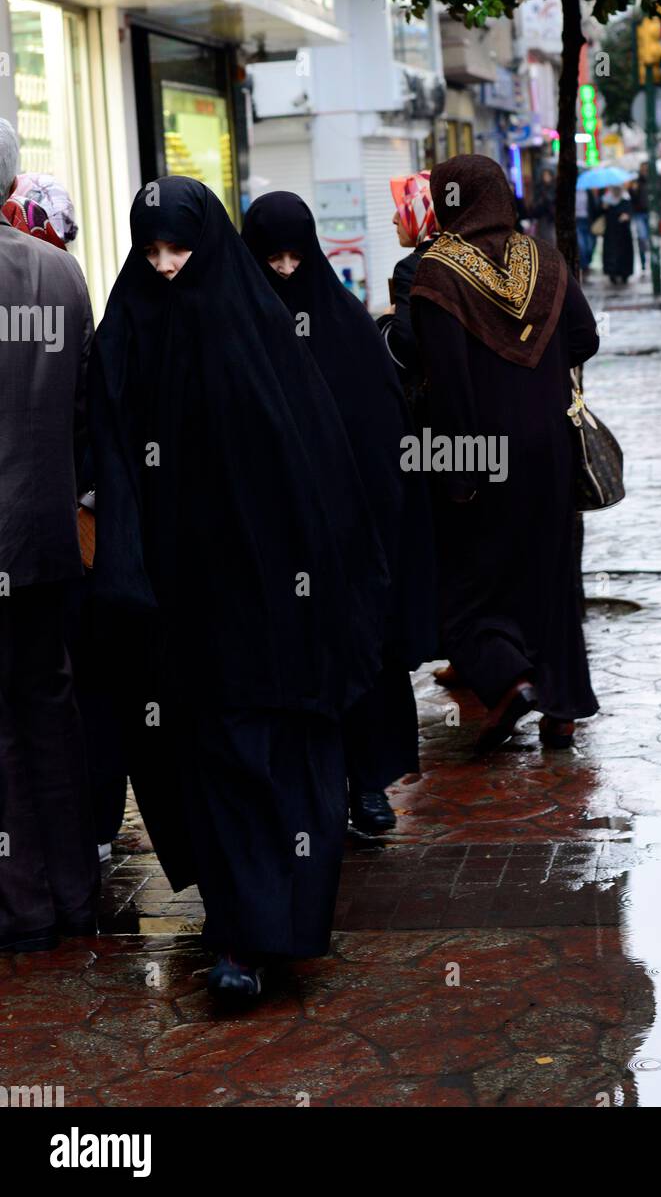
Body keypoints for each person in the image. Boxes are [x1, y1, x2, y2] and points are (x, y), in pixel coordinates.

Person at [89, 176, 393, 1006]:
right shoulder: (129, 327)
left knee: (281, 757)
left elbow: (314, 467)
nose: (164, 265)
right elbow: (106, 456)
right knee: (216, 760)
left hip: (274, 600)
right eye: (149, 250)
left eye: (179, 247)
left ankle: (281, 925)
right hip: (181, 606)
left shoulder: (256, 328)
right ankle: (240, 936)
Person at [242, 191, 437, 836]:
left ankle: (369, 788)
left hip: (356, 537)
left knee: (368, 661)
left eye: (300, 255)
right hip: (282, 543)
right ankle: (319, 796)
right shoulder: (243, 334)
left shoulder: (347, 326)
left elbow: (386, 435)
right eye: (274, 258)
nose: (289, 270)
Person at [410, 154, 600, 754]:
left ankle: (508, 679)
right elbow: (585, 338)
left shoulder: (437, 273)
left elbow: (448, 383)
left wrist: (456, 471)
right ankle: (562, 708)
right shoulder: (544, 257)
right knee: (551, 577)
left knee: (466, 585)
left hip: (481, 449)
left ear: (450, 201)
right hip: (551, 447)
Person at [0, 118, 100, 954]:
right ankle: (75, 894)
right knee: (51, 710)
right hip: (44, 533)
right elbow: (83, 406)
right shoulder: (61, 273)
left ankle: (23, 906)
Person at [376, 172, 438, 412]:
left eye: (403, 210)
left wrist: (388, 319)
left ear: (425, 213)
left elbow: (405, 342)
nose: (394, 219)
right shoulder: (463, 252)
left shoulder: (411, 267)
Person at [600, 186, 635, 284]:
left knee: (624, 253)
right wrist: (603, 207)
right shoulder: (606, 200)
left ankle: (624, 274)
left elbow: (630, 212)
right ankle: (612, 273)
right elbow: (599, 212)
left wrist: (626, 216)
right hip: (611, 231)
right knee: (611, 253)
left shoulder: (626, 199)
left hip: (624, 232)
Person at [629, 163, 650, 273]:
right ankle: (643, 262)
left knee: (649, 239)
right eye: (643, 169)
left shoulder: (652, 181)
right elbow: (632, 198)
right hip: (639, 213)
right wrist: (633, 190)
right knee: (642, 238)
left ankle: (649, 261)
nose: (644, 171)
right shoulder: (636, 182)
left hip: (650, 213)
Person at [532, 166, 557, 245]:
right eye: (544, 175)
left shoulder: (554, 187)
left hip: (551, 216)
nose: (546, 177)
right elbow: (536, 201)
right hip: (542, 215)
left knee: (551, 236)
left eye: (547, 175)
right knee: (542, 236)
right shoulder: (539, 187)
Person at [575, 178, 593, 274]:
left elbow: (593, 206)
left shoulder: (588, 191)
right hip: (577, 221)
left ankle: (587, 262)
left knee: (590, 245)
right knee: (581, 245)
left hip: (587, 221)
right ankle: (584, 265)